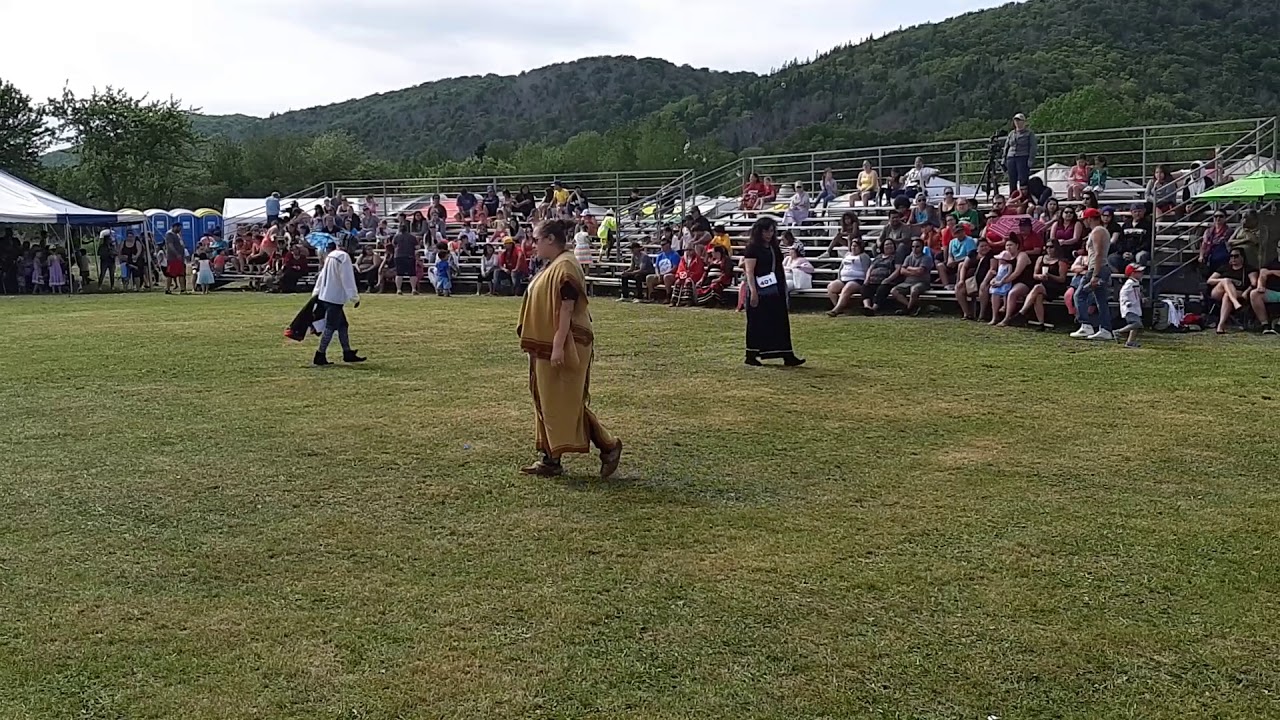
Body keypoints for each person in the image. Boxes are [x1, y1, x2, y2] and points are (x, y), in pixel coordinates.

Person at [515, 219, 622, 479]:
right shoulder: (556, 264)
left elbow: (567, 308)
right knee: (548, 399)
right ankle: (551, 459)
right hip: (548, 345)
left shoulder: (565, 266)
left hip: (566, 343)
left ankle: (608, 445)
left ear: (551, 239)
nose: (534, 244)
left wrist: (558, 346)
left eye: (537, 239)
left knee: (565, 402)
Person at [741, 217, 804, 367]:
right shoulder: (752, 248)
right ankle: (751, 353)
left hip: (775, 287)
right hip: (759, 288)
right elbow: (749, 271)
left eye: (771, 231)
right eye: (766, 231)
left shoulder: (773, 247)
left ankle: (786, 353)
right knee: (757, 322)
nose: (769, 234)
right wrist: (753, 292)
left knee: (779, 321)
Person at [311, 241, 365, 366]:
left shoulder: (330, 256)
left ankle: (347, 352)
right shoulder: (343, 257)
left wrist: (317, 291)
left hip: (326, 295)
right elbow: (347, 278)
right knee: (330, 327)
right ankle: (320, 354)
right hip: (334, 298)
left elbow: (322, 276)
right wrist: (354, 297)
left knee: (343, 325)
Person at [1070, 208, 1115, 341]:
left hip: (1097, 268)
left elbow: (1098, 253)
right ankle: (1105, 329)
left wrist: (1095, 274)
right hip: (1100, 267)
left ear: (1089, 219)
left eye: (1085, 219)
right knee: (1100, 300)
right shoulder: (1100, 231)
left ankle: (1086, 324)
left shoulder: (1097, 232)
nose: (1084, 222)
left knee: (1080, 295)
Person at [1018, 240, 1069, 329]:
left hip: (1056, 286)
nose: (1049, 249)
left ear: (1056, 248)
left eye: (1051, 247)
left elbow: (1062, 279)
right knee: (1038, 296)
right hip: (1044, 284)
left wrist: (1050, 276)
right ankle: (1041, 323)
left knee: (1037, 288)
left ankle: (1022, 312)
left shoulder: (1061, 261)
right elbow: (1034, 275)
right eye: (1047, 247)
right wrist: (1040, 276)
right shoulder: (1041, 259)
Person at [1207, 249, 1256, 335]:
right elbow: (1210, 280)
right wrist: (1223, 280)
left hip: (1239, 292)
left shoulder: (1248, 269)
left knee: (1227, 296)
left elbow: (1254, 282)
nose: (1233, 258)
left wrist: (1246, 292)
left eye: (1236, 256)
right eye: (1231, 256)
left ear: (1242, 257)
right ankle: (1235, 302)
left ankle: (1220, 325)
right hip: (1218, 292)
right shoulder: (1224, 268)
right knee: (1226, 281)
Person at [825, 239, 871, 317]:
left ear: (860, 247)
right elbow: (841, 267)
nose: (853, 248)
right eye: (852, 246)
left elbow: (867, 269)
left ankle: (836, 310)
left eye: (856, 246)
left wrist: (866, 281)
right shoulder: (847, 254)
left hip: (857, 280)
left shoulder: (864, 256)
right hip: (844, 279)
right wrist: (839, 278)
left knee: (847, 288)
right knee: (831, 287)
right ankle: (838, 306)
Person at [890, 238, 934, 315]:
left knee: (914, 290)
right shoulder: (908, 257)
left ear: (922, 247)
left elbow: (920, 271)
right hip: (908, 282)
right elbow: (902, 271)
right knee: (894, 291)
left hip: (922, 282)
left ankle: (908, 309)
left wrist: (909, 268)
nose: (914, 249)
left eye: (917, 246)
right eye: (913, 246)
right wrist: (914, 272)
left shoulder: (927, 258)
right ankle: (912, 307)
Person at [1248, 239, 1280, 334]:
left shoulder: (1270, 268)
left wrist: (1271, 272)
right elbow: (1262, 274)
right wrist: (1260, 285)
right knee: (1254, 294)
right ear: (1277, 249)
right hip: (1273, 292)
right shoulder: (1271, 263)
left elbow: (1267, 272)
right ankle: (1265, 325)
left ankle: (1278, 326)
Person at [861, 239, 899, 315]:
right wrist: (867, 278)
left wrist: (888, 279)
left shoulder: (895, 257)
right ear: (883, 247)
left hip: (886, 281)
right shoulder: (878, 257)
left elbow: (898, 270)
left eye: (891, 244)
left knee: (882, 289)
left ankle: (874, 308)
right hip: (873, 280)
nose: (889, 246)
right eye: (887, 244)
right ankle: (867, 307)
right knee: (865, 287)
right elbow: (870, 268)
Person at [1004, 113, 1037, 195]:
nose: (1017, 122)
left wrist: (1031, 159)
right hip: (1011, 157)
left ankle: (1024, 197)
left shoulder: (1029, 133)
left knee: (1023, 179)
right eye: (1015, 120)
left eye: (1019, 120)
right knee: (1012, 179)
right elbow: (1006, 146)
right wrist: (1004, 158)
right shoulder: (1011, 133)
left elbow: (1033, 147)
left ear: (1023, 122)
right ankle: (1013, 196)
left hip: (1023, 157)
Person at [1118, 264, 1144, 348]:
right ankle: (1119, 332)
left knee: (1135, 327)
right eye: (1138, 272)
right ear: (1132, 273)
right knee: (1137, 324)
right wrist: (1127, 302)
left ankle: (1130, 342)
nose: (1141, 273)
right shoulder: (1129, 283)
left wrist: (1142, 299)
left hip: (1135, 307)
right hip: (1129, 308)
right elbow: (1123, 293)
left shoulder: (1135, 282)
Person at [646, 237, 681, 302]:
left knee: (666, 277)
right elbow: (656, 267)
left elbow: (675, 268)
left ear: (668, 245)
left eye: (663, 245)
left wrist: (664, 274)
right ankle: (652, 296)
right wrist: (658, 274)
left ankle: (668, 296)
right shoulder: (660, 256)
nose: (662, 246)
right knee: (649, 278)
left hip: (671, 275)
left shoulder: (675, 255)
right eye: (661, 245)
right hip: (661, 275)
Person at [391, 224, 419, 295]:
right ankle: (413, 289)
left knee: (399, 273)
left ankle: (399, 289)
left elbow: (393, 244)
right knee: (412, 274)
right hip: (410, 256)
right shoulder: (412, 237)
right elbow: (417, 246)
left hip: (398, 256)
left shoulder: (396, 236)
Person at [163, 225, 188, 294]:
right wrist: (176, 254)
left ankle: (183, 289)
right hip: (173, 258)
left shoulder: (178, 235)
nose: (180, 229)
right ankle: (167, 289)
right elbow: (170, 245)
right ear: (174, 227)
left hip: (180, 259)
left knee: (181, 274)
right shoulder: (169, 234)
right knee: (170, 274)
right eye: (178, 227)